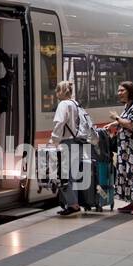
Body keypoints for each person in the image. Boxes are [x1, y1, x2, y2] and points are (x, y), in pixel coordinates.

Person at [107, 81, 133, 215]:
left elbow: (130, 124)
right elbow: (124, 120)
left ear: (130, 91)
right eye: (118, 91)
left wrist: (116, 118)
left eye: (122, 90)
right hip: (126, 149)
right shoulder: (128, 106)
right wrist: (113, 123)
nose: (119, 93)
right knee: (128, 175)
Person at [49, 80, 84, 215]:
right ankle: (71, 203)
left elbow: (59, 123)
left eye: (57, 91)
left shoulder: (63, 104)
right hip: (77, 142)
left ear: (62, 91)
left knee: (63, 175)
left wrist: (53, 140)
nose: (56, 93)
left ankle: (73, 205)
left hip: (67, 143)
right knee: (71, 175)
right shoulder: (75, 103)